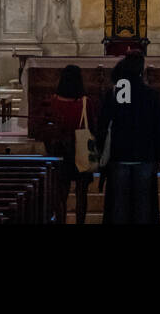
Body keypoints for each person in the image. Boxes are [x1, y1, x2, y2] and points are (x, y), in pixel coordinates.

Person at [96, 51, 160, 224]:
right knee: (143, 205)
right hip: (144, 154)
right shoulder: (150, 94)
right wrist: (158, 156)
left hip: (119, 154)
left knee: (119, 205)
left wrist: (101, 153)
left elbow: (103, 125)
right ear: (141, 71)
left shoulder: (115, 93)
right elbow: (158, 128)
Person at [45, 65, 96, 224]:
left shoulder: (52, 102)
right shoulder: (86, 103)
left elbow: (46, 129)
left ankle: (61, 221)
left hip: (60, 151)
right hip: (82, 149)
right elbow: (93, 127)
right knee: (82, 193)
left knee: (61, 193)